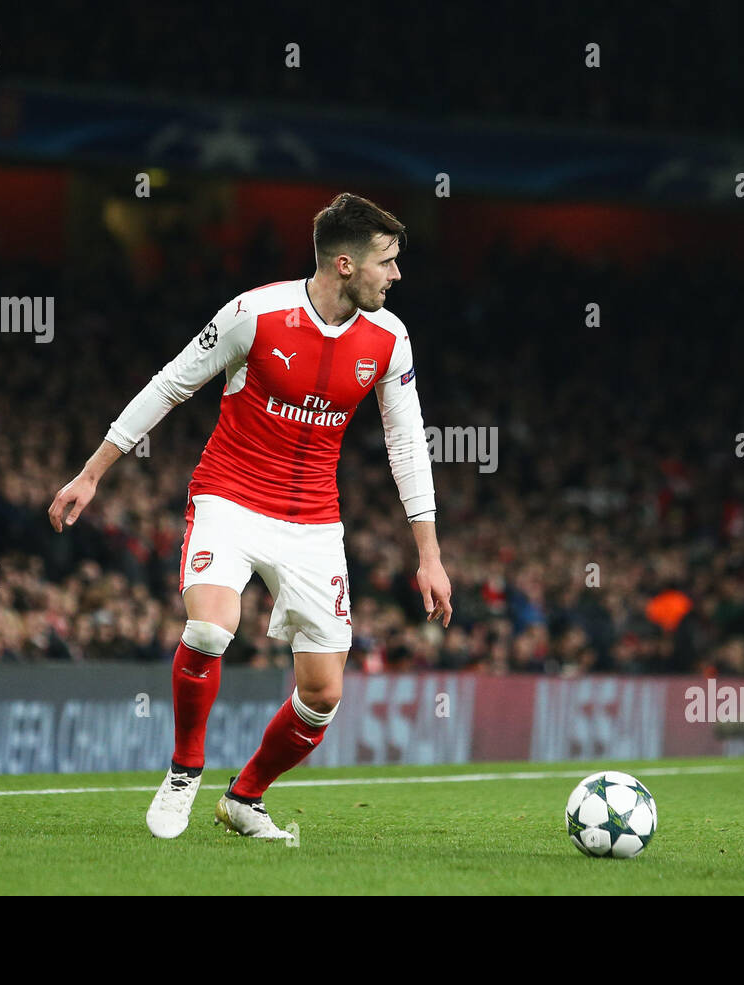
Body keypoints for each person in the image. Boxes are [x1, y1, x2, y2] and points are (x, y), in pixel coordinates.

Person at [48, 193, 452, 839]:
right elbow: (172, 381)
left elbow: (407, 443)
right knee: (211, 627)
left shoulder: (390, 338)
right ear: (345, 264)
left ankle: (245, 796)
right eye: (388, 261)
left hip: (315, 522)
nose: (397, 275)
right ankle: (184, 769)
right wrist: (94, 471)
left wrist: (429, 554)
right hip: (230, 498)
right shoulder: (254, 313)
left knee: (322, 696)